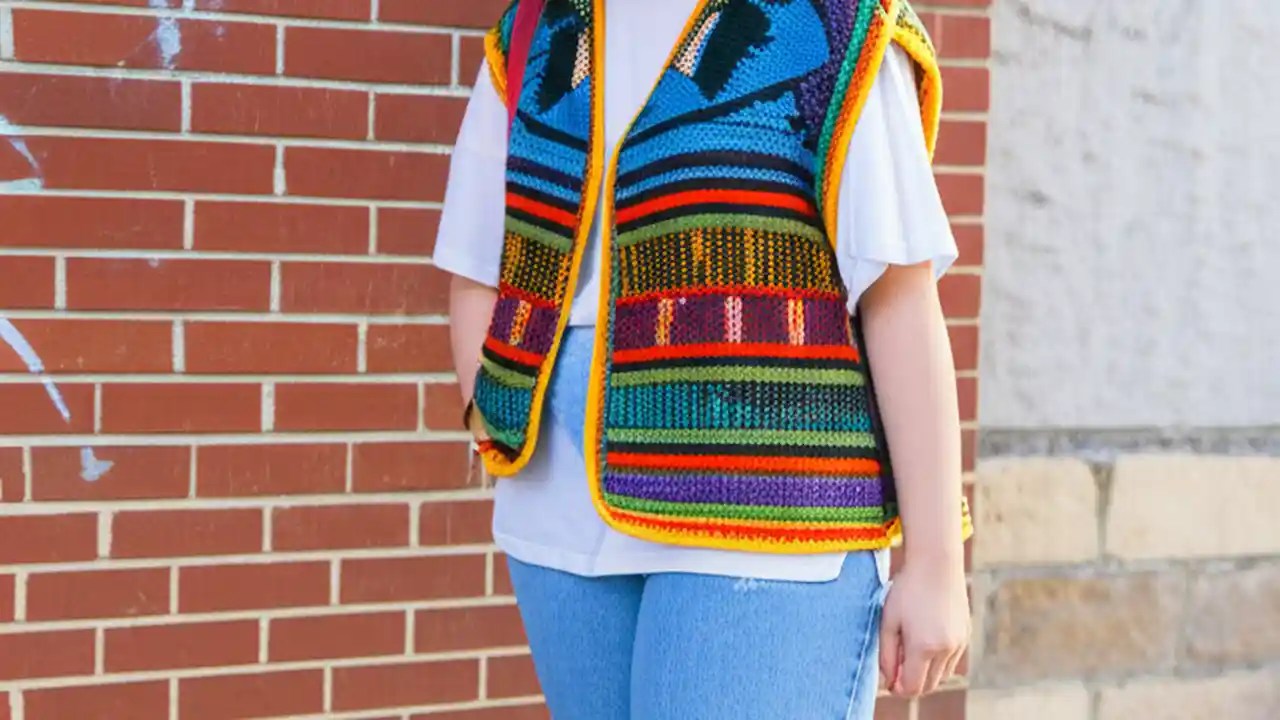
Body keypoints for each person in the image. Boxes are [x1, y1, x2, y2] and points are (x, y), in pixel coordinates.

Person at [437, 0, 973, 717]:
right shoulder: (535, 29)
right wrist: (493, 415)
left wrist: (936, 562)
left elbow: (898, 296)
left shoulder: (837, 23)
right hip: (555, 515)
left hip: (770, 508)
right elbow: (479, 267)